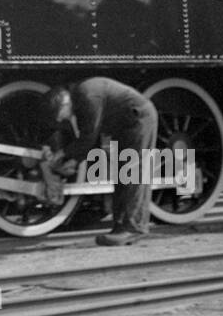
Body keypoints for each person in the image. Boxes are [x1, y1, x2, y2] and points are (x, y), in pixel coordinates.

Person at [49, 77, 159, 246]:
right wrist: (74, 159)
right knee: (122, 175)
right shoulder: (81, 97)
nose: (63, 120)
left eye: (61, 116)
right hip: (126, 125)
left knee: (132, 172)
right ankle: (121, 226)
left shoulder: (86, 96)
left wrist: (64, 154)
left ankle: (134, 227)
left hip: (138, 119)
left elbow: (89, 137)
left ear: (64, 104)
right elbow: (89, 138)